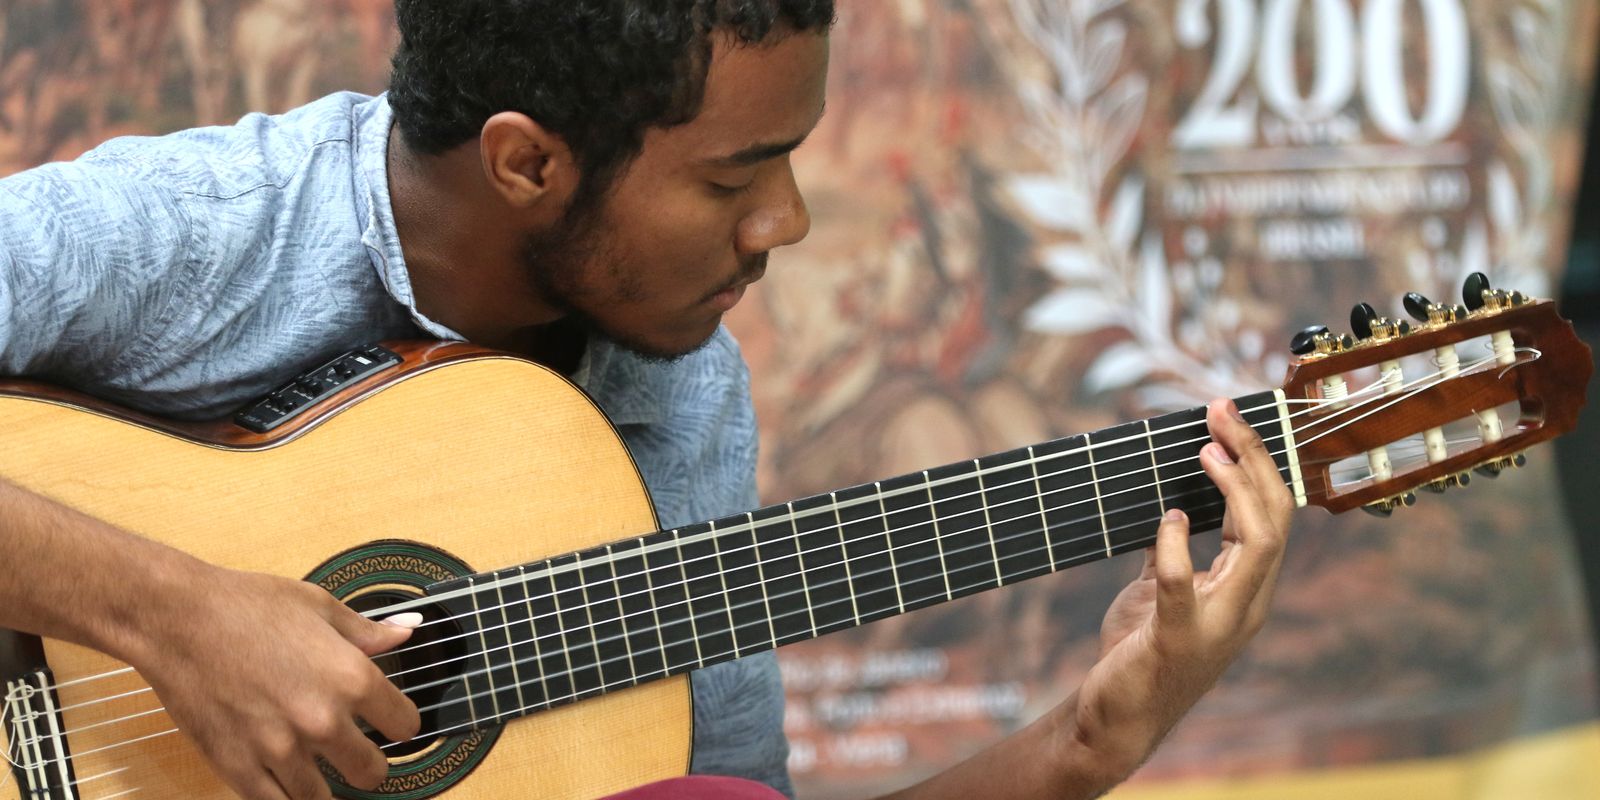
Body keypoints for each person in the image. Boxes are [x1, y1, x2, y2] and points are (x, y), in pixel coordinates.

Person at [0, 2, 1294, 799]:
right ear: (527, 163)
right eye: (734, 180)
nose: (786, 222)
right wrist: (179, 616)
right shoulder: (198, 231)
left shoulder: (679, 397)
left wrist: (1083, 745)